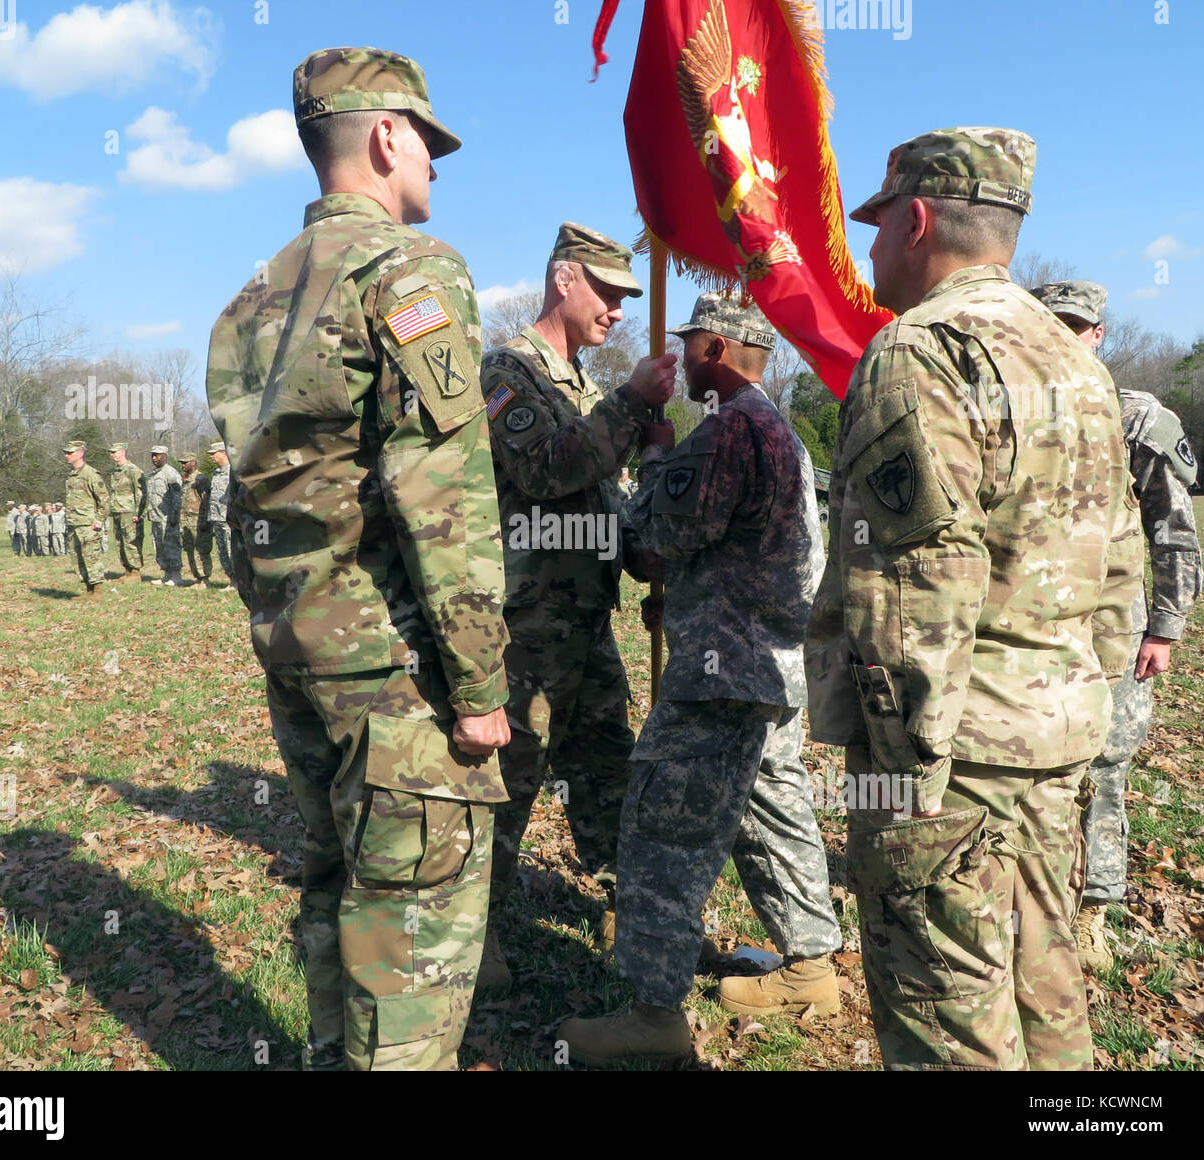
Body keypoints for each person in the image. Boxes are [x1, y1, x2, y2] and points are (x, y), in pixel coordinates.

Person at [804, 127, 1142, 1071]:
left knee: (947, 1018)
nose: (869, 249)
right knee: (1045, 994)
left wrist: (904, 776)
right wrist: (1083, 697)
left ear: (916, 221)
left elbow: (916, 584)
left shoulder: (921, 350)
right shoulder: (1077, 364)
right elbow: (1121, 561)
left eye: (877, 225)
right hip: (1054, 741)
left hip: (951, 764)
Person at [206, 46, 512, 1071]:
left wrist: (278, 618)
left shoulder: (254, 296)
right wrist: (479, 684)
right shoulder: (408, 270)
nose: (434, 164)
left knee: (337, 888)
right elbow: (443, 493)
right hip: (394, 667)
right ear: (386, 136)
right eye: (427, 143)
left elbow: (258, 488)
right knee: (407, 933)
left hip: (299, 647)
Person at [559, 294, 841, 1066]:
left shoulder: (726, 430)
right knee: (772, 812)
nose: (679, 358)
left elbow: (651, 545)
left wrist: (654, 455)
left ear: (715, 349)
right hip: (770, 668)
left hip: (720, 680)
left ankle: (654, 1015)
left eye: (688, 345)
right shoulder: (778, 429)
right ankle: (811, 966)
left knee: (660, 831)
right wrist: (689, 596)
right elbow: (743, 552)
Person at [477, 222, 676, 987]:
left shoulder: (584, 386)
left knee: (607, 768)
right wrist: (631, 403)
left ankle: (630, 907)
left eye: (628, 297)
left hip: (588, 624)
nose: (620, 311)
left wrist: (640, 550)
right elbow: (548, 471)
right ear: (564, 280)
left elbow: (598, 498)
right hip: (526, 629)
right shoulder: (506, 372)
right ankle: (472, 931)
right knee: (507, 781)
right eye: (608, 292)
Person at [1030, 279, 1204, 972]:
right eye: (1050, 324)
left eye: (1075, 326)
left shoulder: (1136, 419)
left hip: (1113, 628)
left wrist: (1165, 626)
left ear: (1098, 334)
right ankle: (1034, 899)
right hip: (1030, 624)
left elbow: (1175, 532)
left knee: (1104, 764)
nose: (1062, 336)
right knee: (1035, 763)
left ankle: (1094, 909)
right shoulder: (1012, 412)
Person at [63, 439, 110, 598]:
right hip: (74, 523)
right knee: (76, 556)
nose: (67, 455)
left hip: (88, 524)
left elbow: (104, 500)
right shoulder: (72, 475)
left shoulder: (90, 474)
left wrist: (98, 520)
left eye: (70, 453)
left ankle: (98, 590)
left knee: (91, 556)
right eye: (66, 453)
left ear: (80, 453)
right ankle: (89, 589)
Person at [106, 442, 147, 577]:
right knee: (120, 541)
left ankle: (135, 571)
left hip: (129, 511)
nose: (112, 455)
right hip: (117, 510)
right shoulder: (115, 471)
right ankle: (127, 570)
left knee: (131, 541)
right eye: (111, 452)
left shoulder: (133, 470)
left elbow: (140, 493)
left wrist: (138, 513)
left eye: (115, 452)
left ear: (123, 452)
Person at [145, 445, 184, 586]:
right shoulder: (153, 474)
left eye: (157, 455)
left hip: (168, 518)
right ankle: (167, 574)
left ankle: (176, 576)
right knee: (160, 547)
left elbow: (177, 496)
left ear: (165, 456)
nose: (154, 458)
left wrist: (174, 516)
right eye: (153, 455)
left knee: (171, 546)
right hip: (156, 518)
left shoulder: (171, 473)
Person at [179, 451, 213, 585]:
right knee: (190, 549)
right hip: (187, 522)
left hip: (198, 521)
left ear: (193, 463)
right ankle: (197, 578)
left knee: (201, 551)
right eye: (181, 463)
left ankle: (204, 579)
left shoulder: (200, 479)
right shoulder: (186, 480)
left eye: (185, 462)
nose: (182, 465)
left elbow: (206, 501)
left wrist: (205, 521)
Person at [206, 439, 234, 590]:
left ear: (223, 453)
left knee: (231, 550)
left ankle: (238, 582)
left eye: (213, 454)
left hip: (228, 519)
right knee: (221, 551)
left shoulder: (233, 472)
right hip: (216, 518)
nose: (211, 456)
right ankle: (231, 580)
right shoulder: (216, 473)